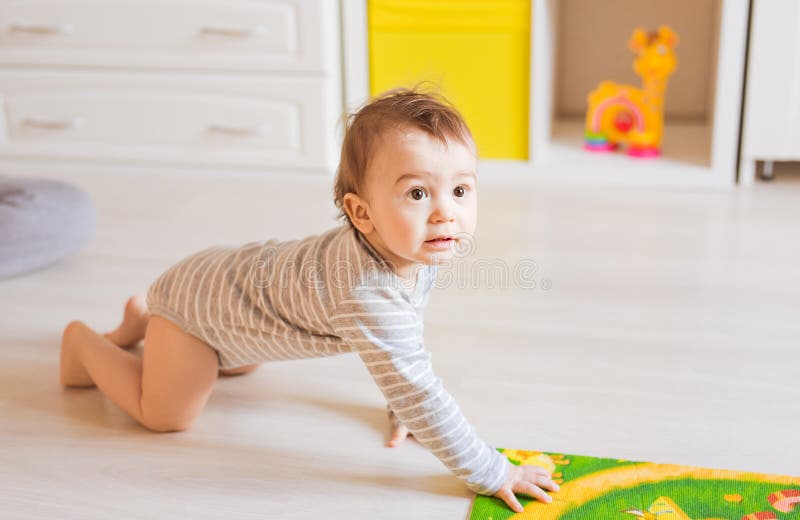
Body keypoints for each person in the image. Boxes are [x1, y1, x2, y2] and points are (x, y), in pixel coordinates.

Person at [59, 87, 559, 513]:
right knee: (167, 416)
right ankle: (85, 344)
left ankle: (142, 319)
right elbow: (419, 389)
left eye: (461, 190)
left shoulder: (412, 247)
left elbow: (405, 346)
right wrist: (492, 470)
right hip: (197, 311)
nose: (445, 213)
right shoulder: (366, 292)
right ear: (362, 214)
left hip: (229, 300)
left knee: (241, 366)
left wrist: (398, 405)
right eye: (417, 194)